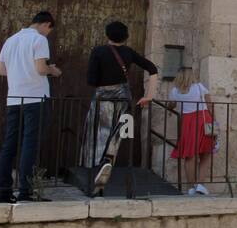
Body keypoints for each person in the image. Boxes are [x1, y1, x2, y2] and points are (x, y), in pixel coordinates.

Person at [0, 12, 60, 203]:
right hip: (36, 98)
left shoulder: (11, 40)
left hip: (14, 99)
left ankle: (4, 192)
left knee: (9, 145)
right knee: (30, 144)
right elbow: (41, 69)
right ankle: (25, 191)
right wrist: (53, 70)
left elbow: (1, 70)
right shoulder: (39, 40)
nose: (48, 34)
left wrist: (20, 73)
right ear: (47, 24)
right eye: (49, 30)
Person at [83, 21, 158, 181]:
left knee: (99, 132)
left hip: (103, 97)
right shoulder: (128, 52)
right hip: (123, 98)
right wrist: (149, 96)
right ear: (126, 36)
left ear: (107, 34)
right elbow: (152, 68)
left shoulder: (98, 51)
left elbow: (91, 80)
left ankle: (96, 167)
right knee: (118, 133)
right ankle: (108, 162)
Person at [167, 66, 215, 195]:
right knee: (206, 153)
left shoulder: (175, 91)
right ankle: (200, 184)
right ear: (191, 75)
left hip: (187, 122)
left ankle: (191, 187)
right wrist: (214, 121)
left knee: (189, 155)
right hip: (203, 120)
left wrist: (171, 106)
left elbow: (170, 105)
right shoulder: (199, 87)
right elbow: (210, 104)